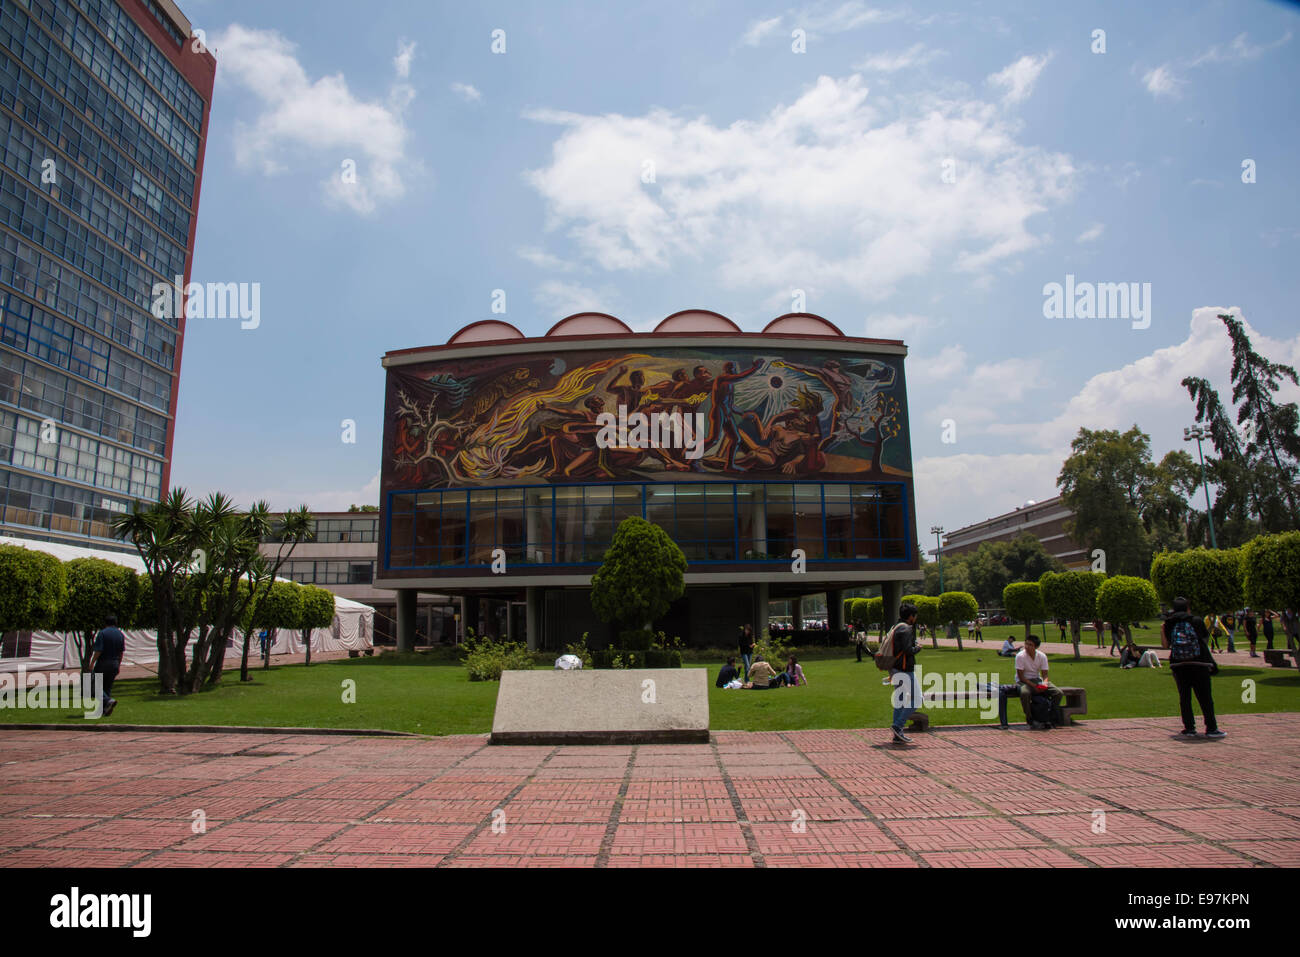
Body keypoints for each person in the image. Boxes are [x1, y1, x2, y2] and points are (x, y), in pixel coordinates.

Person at [1163, 596, 1224, 739]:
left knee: (1185, 698)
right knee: (1205, 698)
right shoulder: (1196, 621)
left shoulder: (1169, 623)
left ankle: (1189, 728)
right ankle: (1211, 728)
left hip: (1178, 665)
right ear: (1187, 608)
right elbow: (1203, 640)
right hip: (1199, 663)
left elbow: (1166, 645)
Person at [885, 602, 922, 745]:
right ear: (911, 616)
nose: (916, 618)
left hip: (894, 668)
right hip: (905, 670)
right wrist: (917, 648)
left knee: (899, 701)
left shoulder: (896, 627)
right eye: (915, 616)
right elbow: (908, 650)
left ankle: (897, 735)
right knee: (917, 699)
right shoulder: (906, 629)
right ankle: (898, 726)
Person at [1015, 635, 1063, 729]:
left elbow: (1045, 674)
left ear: (1036, 647)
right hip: (1024, 681)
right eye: (1026, 644)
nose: (1027, 647)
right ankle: (1029, 717)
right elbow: (1021, 677)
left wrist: (1044, 684)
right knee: (1025, 693)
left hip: (1037, 679)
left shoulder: (1042, 656)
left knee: (1058, 693)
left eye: (1030, 645)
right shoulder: (1020, 656)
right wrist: (1034, 686)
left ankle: (1051, 716)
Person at [86, 614, 126, 718]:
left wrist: (92, 663)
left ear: (105, 623)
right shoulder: (120, 634)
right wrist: (118, 665)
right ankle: (104, 710)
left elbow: (99, 650)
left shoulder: (102, 633)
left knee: (94, 686)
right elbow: (121, 652)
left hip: (103, 663)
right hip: (115, 663)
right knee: (107, 687)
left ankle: (108, 701)